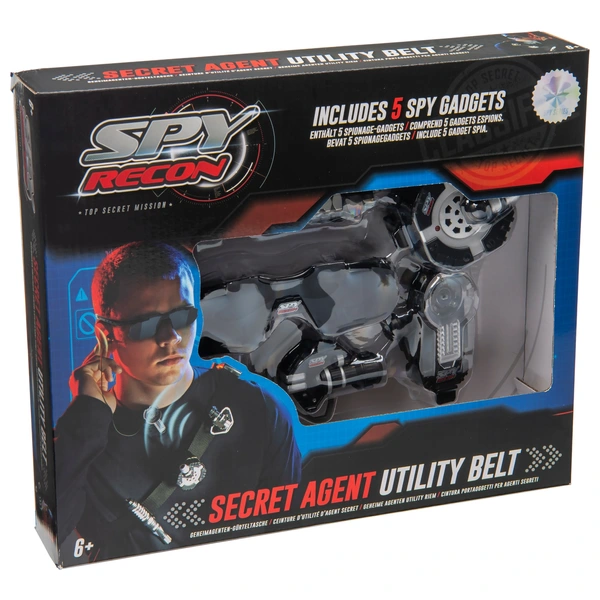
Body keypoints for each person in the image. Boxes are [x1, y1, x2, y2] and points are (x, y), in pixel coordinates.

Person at [54, 242, 301, 562]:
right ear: (106, 334)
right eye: (146, 323)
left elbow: (289, 536)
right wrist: (86, 418)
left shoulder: (257, 406)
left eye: (182, 316)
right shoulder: (84, 436)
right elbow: (50, 535)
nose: (170, 337)